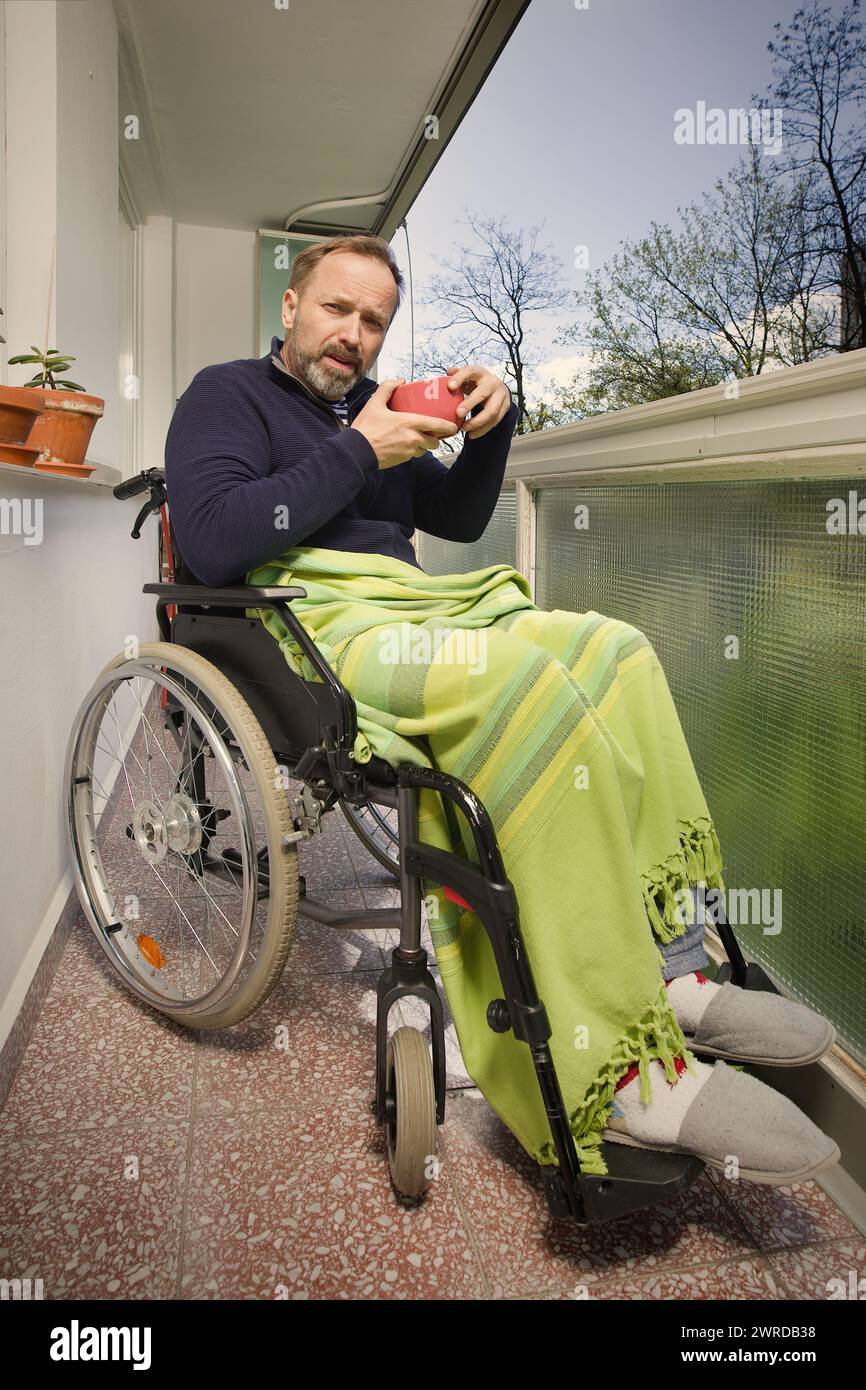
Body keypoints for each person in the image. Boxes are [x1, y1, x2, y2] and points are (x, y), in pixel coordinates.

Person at [165, 234, 839, 1184]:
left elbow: (454, 518)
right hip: (316, 620)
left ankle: (677, 966)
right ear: (290, 306)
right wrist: (360, 452)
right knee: (525, 693)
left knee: (619, 653)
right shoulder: (224, 397)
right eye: (336, 310)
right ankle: (624, 1067)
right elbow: (215, 537)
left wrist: (491, 433)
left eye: (374, 321)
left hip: (414, 602)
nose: (353, 335)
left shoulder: (384, 411)